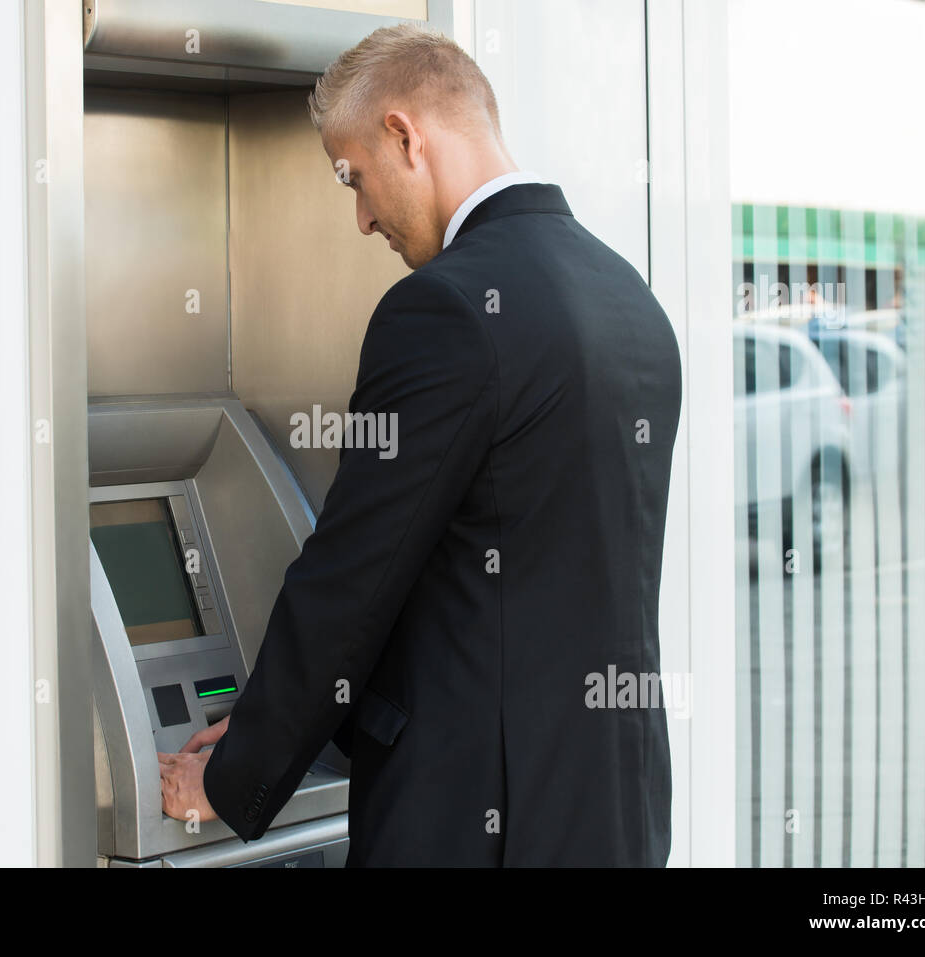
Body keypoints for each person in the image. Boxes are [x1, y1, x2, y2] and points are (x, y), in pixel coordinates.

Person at [157, 22, 681, 866]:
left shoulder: (444, 310)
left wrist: (233, 776)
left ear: (405, 136)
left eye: (354, 178)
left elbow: (351, 581)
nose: (362, 218)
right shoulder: (628, 298)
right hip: (612, 810)